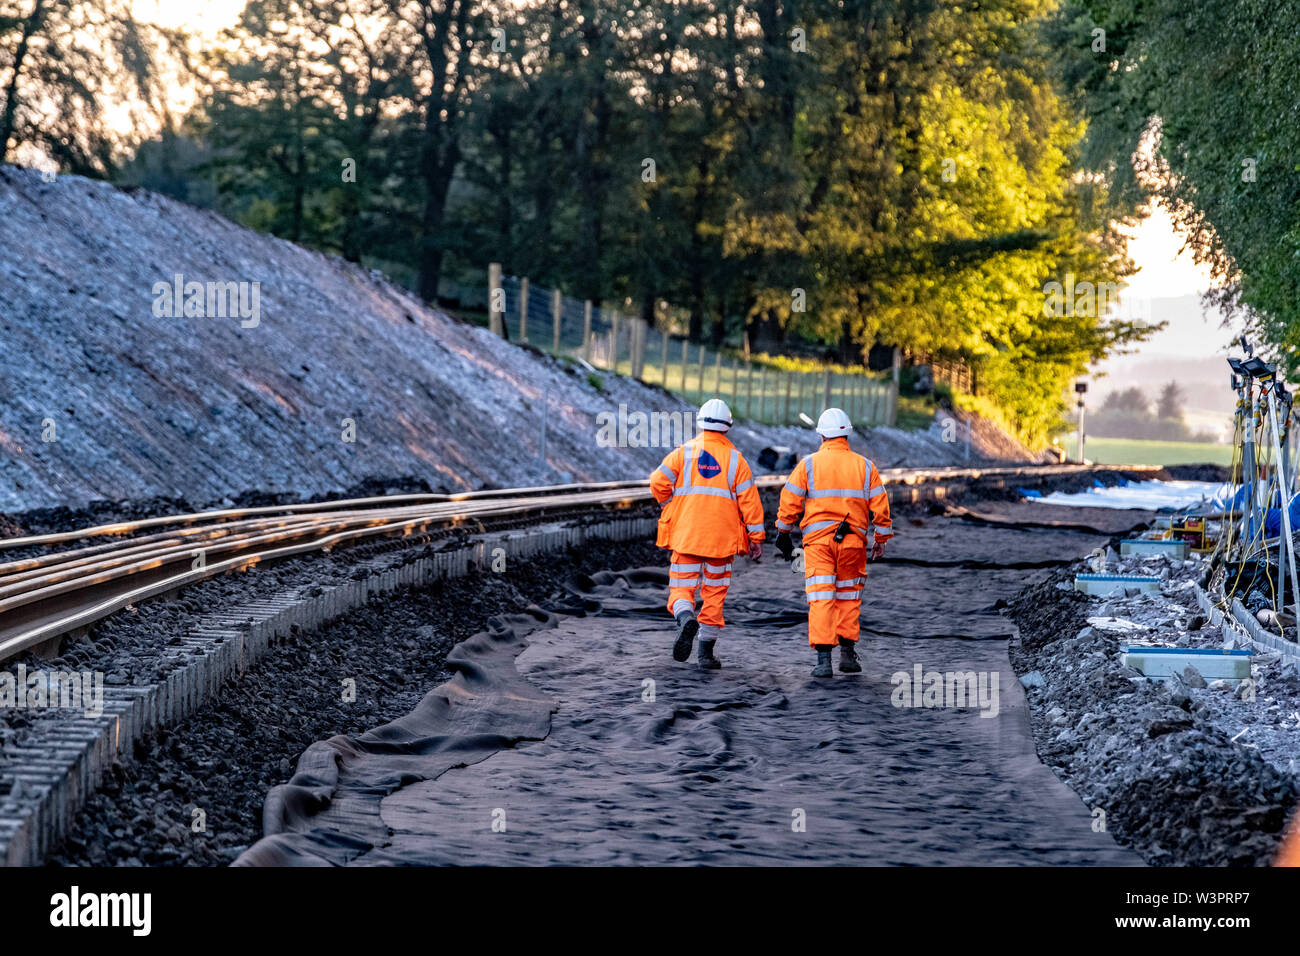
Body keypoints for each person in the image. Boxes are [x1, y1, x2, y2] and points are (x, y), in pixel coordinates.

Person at [774, 408, 892, 677]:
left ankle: (823, 661)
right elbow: (881, 507)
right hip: (853, 543)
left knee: (821, 598)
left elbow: (789, 500)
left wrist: (783, 531)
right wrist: (881, 538)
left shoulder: (808, 465)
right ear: (847, 434)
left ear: (822, 435)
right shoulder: (866, 467)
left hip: (817, 545)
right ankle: (847, 655)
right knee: (849, 597)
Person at [649, 398, 764, 669]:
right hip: (721, 541)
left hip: (686, 535)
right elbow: (750, 502)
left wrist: (669, 502)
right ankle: (705, 654)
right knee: (714, 593)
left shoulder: (683, 453)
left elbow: (657, 482)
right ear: (728, 426)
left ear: (700, 423)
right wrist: (756, 538)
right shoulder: (736, 460)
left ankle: (685, 617)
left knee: (681, 586)